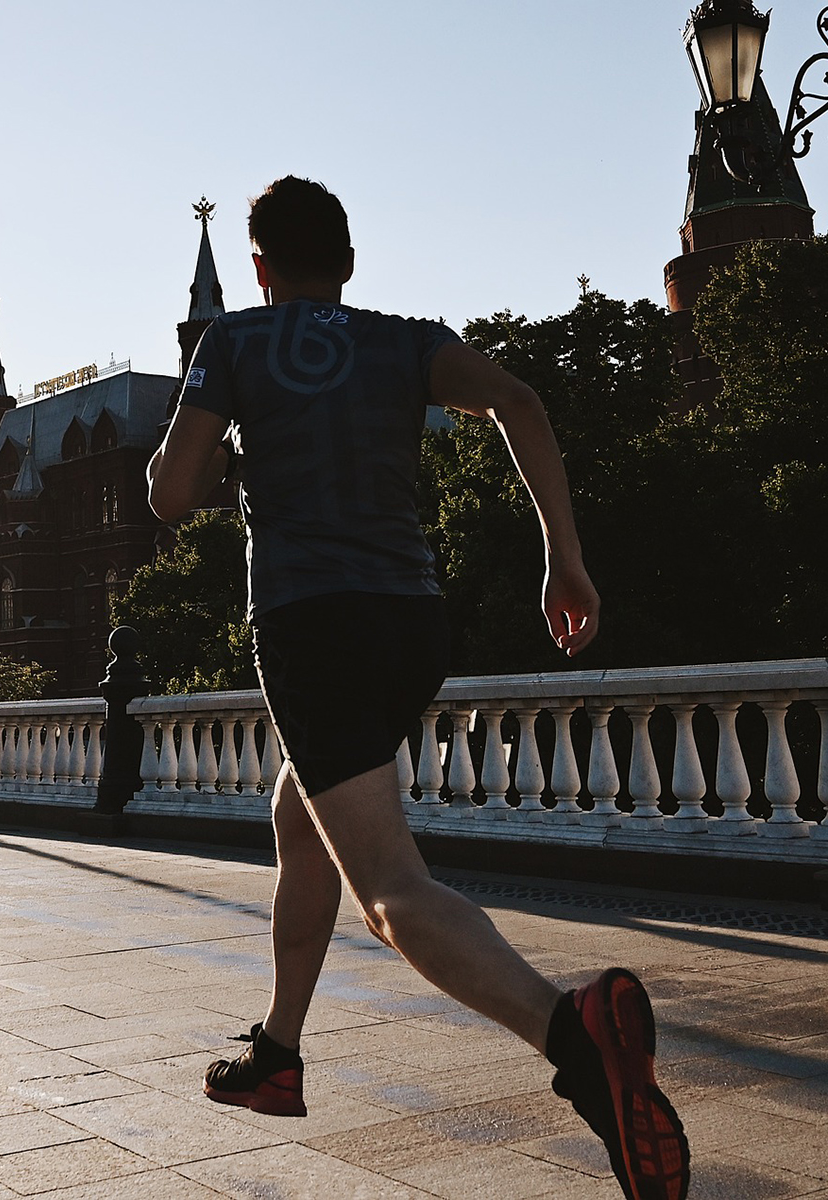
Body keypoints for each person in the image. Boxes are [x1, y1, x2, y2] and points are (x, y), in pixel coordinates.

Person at [147, 176, 689, 1200]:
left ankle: (577, 1041)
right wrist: (563, 561)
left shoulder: (234, 341)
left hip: (311, 624)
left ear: (257, 270)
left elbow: (170, 496)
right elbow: (519, 402)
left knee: (389, 892)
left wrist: (221, 436)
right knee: (303, 816)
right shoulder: (405, 339)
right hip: (410, 622)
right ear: (348, 265)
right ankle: (277, 1051)